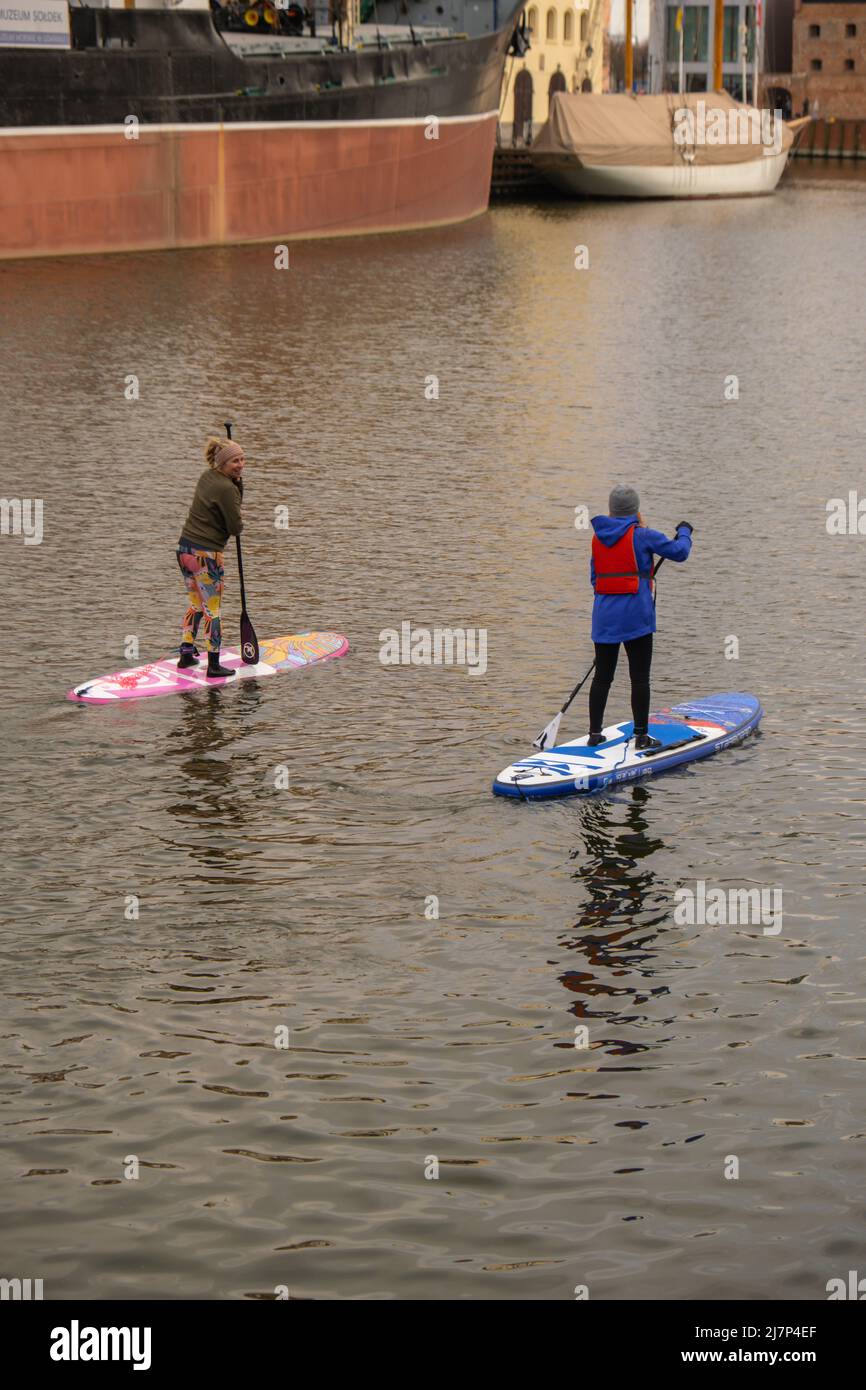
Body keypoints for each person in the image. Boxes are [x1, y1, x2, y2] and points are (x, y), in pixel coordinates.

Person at [588, 486, 693, 750]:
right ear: (636, 510)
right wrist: (684, 531)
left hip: (604, 618)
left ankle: (594, 734)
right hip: (636, 618)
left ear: (611, 510)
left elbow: (595, 579)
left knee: (602, 677)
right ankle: (641, 736)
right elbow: (680, 552)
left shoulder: (597, 539)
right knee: (639, 677)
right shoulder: (643, 536)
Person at [176, 436, 245, 679]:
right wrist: (238, 494)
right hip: (207, 554)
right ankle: (213, 665)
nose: (240, 465)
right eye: (234, 461)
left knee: (195, 604)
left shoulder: (207, 476)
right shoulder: (227, 488)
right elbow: (235, 527)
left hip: (184, 549)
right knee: (212, 610)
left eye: (242, 459)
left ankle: (186, 655)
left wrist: (236, 491)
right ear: (222, 464)